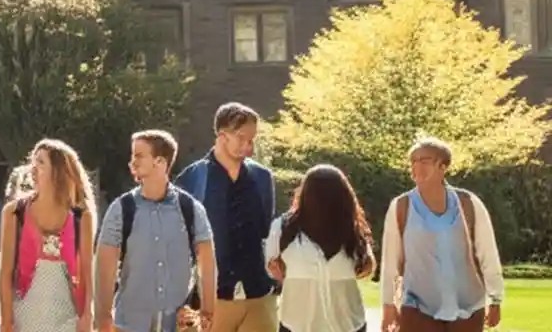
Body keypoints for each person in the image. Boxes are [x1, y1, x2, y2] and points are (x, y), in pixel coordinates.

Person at [379, 138, 504, 332]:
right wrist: (388, 304)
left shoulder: (468, 204)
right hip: (417, 307)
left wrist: (495, 298)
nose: (417, 166)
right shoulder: (401, 207)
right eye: (413, 161)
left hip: (468, 306)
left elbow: (487, 253)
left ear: (443, 166)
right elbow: (390, 260)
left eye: (425, 161)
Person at [96, 130, 216, 332]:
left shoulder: (191, 209)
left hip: (178, 326)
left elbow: (207, 261)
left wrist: (207, 311)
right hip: (129, 325)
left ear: (160, 162)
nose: (132, 162)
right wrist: (103, 318)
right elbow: (104, 269)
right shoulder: (121, 209)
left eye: (139, 156)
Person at [174, 103, 276, 332]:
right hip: (211, 299)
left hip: (258, 294)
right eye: (242, 139)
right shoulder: (193, 179)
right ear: (222, 136)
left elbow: (265, 232)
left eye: (252, 140)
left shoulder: (262, 178)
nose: (248, 148)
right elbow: (178, 244)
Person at [0, 139, 97, 332]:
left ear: (58, 171)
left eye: (41, 163)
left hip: (67, 317)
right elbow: (5, 272)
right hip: (24, 317)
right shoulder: (14, 212)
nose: (33, 168)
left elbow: (87, 271)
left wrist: (87, 315)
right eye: (33, 162)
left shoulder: (81, 217)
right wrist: (6, 320)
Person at [266, 164, 375, 332]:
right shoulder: (284, 228)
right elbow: (366, 267)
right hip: (301, 326)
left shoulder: (352, 229)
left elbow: (366, 266)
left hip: (343, 326)